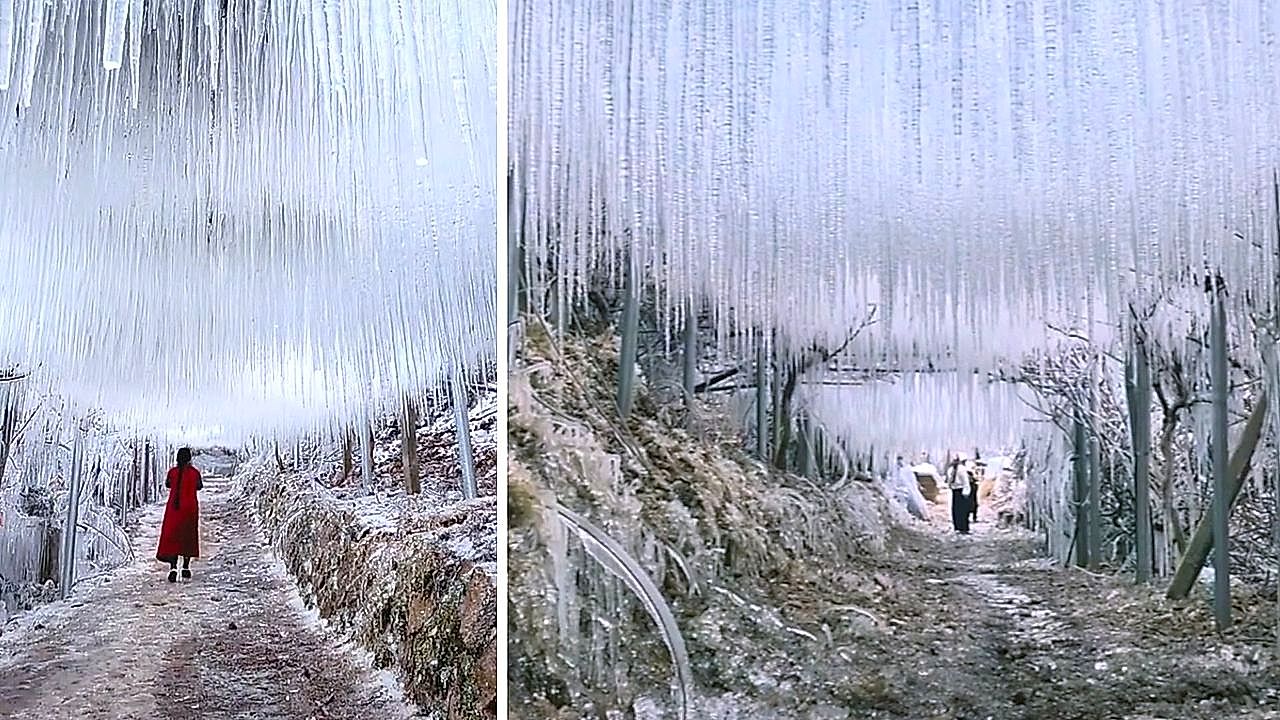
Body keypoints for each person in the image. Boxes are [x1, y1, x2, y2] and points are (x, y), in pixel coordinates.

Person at [155, 447, 203, 582]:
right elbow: (199, 486)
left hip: (174, 508)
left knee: (173, 537)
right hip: (190, 508)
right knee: (187, 536)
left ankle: (173, 567)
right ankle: (186, 567)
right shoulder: (194, 473)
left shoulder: (173, 472)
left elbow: (168, 484)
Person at [946, 456, 972, 534]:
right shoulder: (960, 469)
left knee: (957, 510)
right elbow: (965, 482)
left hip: (956, 491)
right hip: (960, 491)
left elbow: (949, 481)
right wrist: (966, 492)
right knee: (962, 510)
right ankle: (962, 527)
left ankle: (958, 526)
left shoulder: (952, 469)